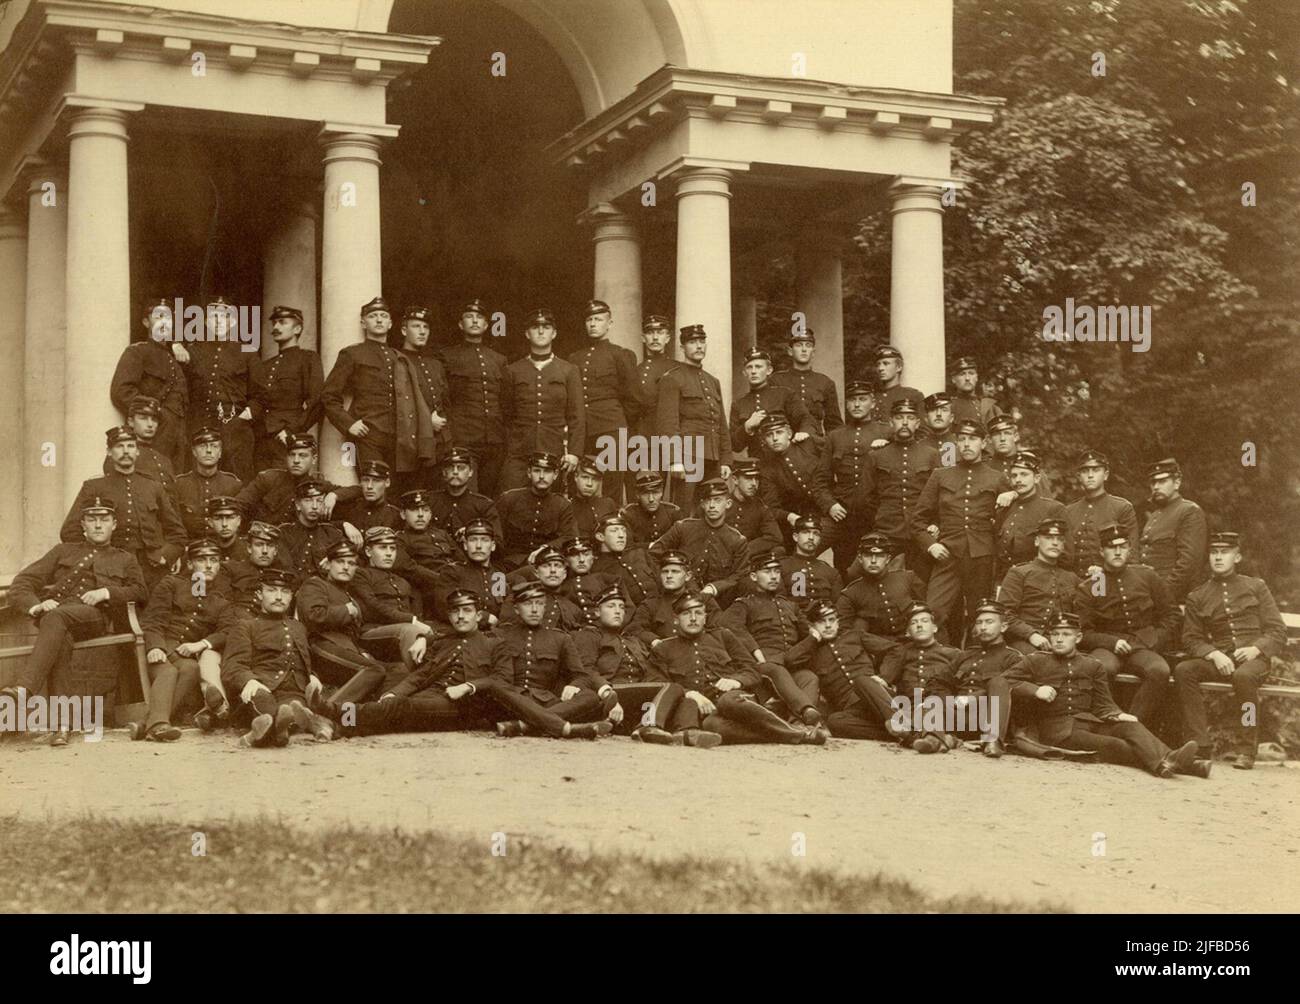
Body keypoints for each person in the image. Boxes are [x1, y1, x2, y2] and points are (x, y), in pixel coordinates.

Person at [332, 589, 609, 740]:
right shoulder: (444, 641)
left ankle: (337, 715)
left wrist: (469, 686)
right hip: (434, 697)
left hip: (464, 706)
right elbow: (421, 676)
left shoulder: (493, 641)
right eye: (456, 612)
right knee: (397, 706)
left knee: (400, 709)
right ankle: (339, 720)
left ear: (478, 615)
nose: (461, 617)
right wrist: (397, 690)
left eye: (467, 612)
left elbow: (501, 682)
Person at [4, 496, 147, 746]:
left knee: (56, 617)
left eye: (104, 519)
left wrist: (107, 593)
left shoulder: (125, 558)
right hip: (56, 623)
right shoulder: (63, 551)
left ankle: (24, 690)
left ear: (114, 524)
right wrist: (36, 605)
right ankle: (63, 726)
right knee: (60, 637)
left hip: (95, 619)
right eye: (92, 520)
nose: (98, 525)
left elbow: (140, 591)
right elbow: (22, 583)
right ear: (83, 525)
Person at [1005, 613, 1207, 778]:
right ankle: (1182, 764)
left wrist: (1118, 715)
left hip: (1089, 721)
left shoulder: (1092, 665)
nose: (1059, 639)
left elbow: (1103, 704)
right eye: (1055, 634)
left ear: (1078, 638)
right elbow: (1004, 681)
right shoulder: (1036, 661)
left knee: (1131, 726)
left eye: (1066, 634)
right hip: (1058, 731)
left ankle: (1170, 763)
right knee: (1115, 745)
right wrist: (1034, 690)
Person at [650, 593, 826, 746]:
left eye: (698, 613)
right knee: (712, 726)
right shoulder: (664, 648)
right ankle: (784, 734)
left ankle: (799, 734)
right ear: (676, 619)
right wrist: (689, 693)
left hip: (737, 698)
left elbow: (752, 669)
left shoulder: (723, 636)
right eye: (687, 614)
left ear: (705, 616)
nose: (693, 618)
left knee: (728, 700)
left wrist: (736, 681)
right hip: (705, 709)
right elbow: (657, 683)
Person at [1173, 532, 1286, 770]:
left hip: (1255, 661)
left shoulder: (1255, 587)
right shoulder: (1198, 595)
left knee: (1243, 676)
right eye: (1214, 552)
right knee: (1184, 670)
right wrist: (1213, 653)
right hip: (1222, 658)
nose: (1218, 557)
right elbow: (1191, 638)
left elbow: (1277, 631)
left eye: (1225, 552)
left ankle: (1246, 749)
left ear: (1238, 557)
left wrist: (1256, 648)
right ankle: (1200, 745)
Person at [572, 583, 721, 746]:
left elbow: (649, 674)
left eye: (621, 607)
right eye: (611, 606)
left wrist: (689, 694)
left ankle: (687, 732)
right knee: (674, 687)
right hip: (611, 693)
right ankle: (648, 725)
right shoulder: (589, 635)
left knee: (684, 697)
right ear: (597, 611)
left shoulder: (632, 640)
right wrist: (607, 693)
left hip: (637, 699)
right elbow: (586, 670)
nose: (617, 611)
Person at [322, 296, 437, 483]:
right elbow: (329, 395)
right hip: (369, 435)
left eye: (383, 316)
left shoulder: (398, 357)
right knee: (372, 487)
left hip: (401, 439)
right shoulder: (352, 354)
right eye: (373, 316)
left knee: (397, 492)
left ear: (390, 323)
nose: (379, 320)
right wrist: (349, 423)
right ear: (363, 323)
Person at [912, 419, 1007, 643]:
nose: (966, 444)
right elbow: (917, 520)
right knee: (934, 613)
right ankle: (942, 661)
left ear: (983, 443)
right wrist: (931, 544)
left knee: (980, 618)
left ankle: (976, 668)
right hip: (947, 556)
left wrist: (1012, 495)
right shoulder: (941, 475)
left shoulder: (997, 478)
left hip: (982, 558)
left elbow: (1009, 521)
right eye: (962, 439)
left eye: (972, 439)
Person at [133, 538, 238, 743]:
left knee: (191, 669)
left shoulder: (220, 601)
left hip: (186, 653)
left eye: (214, 560)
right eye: (202, 560)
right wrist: (155, 646)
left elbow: (227, 631)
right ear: (190, 564)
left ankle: (147, 725)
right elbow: (152, 620)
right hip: (163, 645)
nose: (208, 565)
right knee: (169, 670)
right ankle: (157, 725)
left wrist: (201, 644)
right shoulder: (171, 584)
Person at [1075, 524, 1178, 724]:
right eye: (1112, 548)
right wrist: (1111, 642)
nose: (1118, 552)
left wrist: (1155, 639)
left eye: (1122, 547)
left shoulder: (1146, 576)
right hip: (1106, 647)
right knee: (1102, 668)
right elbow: (1083, 632)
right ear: (1101, 551)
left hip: (1143, 645)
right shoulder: (1096, 583)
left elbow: (1171, 614)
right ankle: (1104, 726)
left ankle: (1133, 725)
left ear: (1130, 549)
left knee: (1159, 670)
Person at [220, 568, 334, 748]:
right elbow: (233, 665)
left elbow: (305, 660)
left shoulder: (298, 627)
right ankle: (282, 728)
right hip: (261, 687)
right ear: (259, 595)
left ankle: (268, 733)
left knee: (292, 708)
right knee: (265, 703)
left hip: (293, 691)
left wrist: (313, 675)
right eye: (271, 590)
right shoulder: (245, 626)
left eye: (285, 591)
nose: (279, 597)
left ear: (291, 597)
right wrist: (248, 681)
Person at [62, 425, 186, 590]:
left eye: (130, 446)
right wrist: (96, 557)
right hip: (109, 569)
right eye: (119, 446)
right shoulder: (93, 487)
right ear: (109, 452)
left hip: (150, 569)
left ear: (137, 451)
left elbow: (177, 534)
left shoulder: (153, 486)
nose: (126, 451)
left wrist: (165, 556)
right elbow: (69, 532)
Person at [493, 580, 611, 738]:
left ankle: (524, 725)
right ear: (516, 608)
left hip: (543, 700)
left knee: (590, 697)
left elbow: (581, 675)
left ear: (545, 607)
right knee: (498, 689)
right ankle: (564, 728)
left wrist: (574, 685)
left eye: (540, 604)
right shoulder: (500, 635)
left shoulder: (560, 638)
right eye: (528, 604)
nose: (534, 610)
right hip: (511, 701)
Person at [717, 551, 822, 726]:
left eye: (777, 572)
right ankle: (806, 711)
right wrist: (755, 651)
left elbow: (808, 631)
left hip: (790, 662)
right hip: (763, 663)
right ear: (753, 576)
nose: (773, 576)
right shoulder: (744, 604)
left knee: (809, 677)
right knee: (775, 669)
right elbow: (729, 625)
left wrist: (817, 633)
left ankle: (798, 723)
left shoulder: (790, 605)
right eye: (767, 571)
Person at [296, 539, 396, 714]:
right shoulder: (315, 584)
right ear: (328, 564)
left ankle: (345, 721)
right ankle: (324, 712)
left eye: (351, 563)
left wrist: (360, 652)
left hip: (345, 650)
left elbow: (350, 634)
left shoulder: (348, 593)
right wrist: (346, 611)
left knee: (395, 672)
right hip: (321, 645)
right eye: (340, 562)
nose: (346, 567)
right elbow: (313, 615)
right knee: (373, 669)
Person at [850, 603, 962, 754]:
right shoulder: (901, 653)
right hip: (905, 710)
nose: (919, 626)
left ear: (935, 628)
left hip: (938, 710)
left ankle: (910, 735)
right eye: (914, 623)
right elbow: (887, 679)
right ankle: (916, 734)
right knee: (841, 717)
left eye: (924, 621)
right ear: (908, 632)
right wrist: (883, 681)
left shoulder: (953, 654)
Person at [499, 308, 585, 491]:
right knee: (511, 498)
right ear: (527, 333)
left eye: (546, 327)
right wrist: (511, 446)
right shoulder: (513, 370)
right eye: (535, 327)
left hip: (554, 452)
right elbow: (506, 414)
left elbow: (577, 416)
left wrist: (575, 453)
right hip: (519, 453)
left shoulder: (568, 370)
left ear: (554, 333)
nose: (540, 331)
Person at [783, 601, 894, 741]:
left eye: (831, 620)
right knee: (835, 722)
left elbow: (894, 650)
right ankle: (896, 734)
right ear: (812, 626)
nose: (828, 625)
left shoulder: (855, 636)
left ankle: (897, 721)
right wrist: (812, 639)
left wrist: (885, 677)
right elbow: (789, 660)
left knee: (862, 680)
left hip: (878, 698)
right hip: (853, 710)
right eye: (821, 622)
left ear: (838, 622)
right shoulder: (811, 651)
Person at [656, 324, 732, 512]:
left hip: (713, 459)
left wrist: (726, 460)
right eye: (692, 342)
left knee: (711, 510)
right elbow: (668, 423)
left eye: (702, 341)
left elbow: (721, 423)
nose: (699, 346)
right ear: (682, 348)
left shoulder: (712, 381)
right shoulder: (672, 378)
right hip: (687, 457)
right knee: (683, 511)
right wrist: (674, 460)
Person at [437, 299, 509, 496]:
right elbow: (440, 395)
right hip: (464, 439)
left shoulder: (498, 359)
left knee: (490, 495)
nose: (475, 321)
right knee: (468, 495)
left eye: (479, 318)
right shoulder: (447, 356)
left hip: (495, 440)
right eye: (469, 317)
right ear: (461, 325)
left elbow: (506, 401)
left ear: (486, 325)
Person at [181, 296, 257, 480]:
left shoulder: (247, 351)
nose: (218, 321)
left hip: (235, 428)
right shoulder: (193, 350)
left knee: (237, 477)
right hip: (199, 424)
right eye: (213, 316)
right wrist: (174, 344)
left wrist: (247, 414)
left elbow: (261, 395)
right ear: (206, 321)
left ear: (233, 321)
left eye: (224, 316)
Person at [111, 298, 190, 470]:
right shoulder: (137, 352)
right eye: (159, 317)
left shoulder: (177, 357)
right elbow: (122, 391)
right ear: (146, 322)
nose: (164, 322)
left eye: (168, 318)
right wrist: (153, 415)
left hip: (178, 437)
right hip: (153, 434)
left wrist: (176, 343)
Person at [868, 398, 940, 578]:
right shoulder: (877, 456)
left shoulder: (931, 455)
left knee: (922, 581)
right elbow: (865, 498)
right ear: (891, 422)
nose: (905, 422)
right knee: (863, 575)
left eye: (910, 418)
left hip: (921, 532)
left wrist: (935, 523)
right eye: (900, 417)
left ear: (917, 423)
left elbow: (941, 496)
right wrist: (877, 524)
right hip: (887, 531)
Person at [247, 304, 323, 473]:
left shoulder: (308, 359)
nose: (276, 327)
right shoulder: (265, 365)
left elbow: (316, 401)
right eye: (274, 323)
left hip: (286, 440)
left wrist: (291, 432)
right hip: (260, 439)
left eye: (282, 322)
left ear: (297, 329)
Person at [648, 478, 748, 604]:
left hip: (716, 602)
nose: (712, 506)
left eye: (717, 500)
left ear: (728, 504)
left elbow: (740, 575)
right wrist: (668, 581)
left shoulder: (737, 540)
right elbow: (653, 555)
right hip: (678, 599)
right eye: (707, 500)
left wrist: (715, 587)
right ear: (702, 504)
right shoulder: (683, 528)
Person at [756, 412, 844, 551]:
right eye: (769, 435)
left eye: (779, 432)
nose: (774, 438)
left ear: (789, 433)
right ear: (764, 440)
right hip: (808, 517)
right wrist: (789, 516)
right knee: (804, 552)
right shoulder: (767, 468)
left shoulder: (809, 443)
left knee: (845, 557)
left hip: (837, 506)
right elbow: (771, 507)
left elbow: (839, 450)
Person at [823, 378, 885, 575]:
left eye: (862, 399)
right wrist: (830, 504)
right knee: (844, 568)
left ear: (873, 402)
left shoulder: (887, 432)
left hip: (876, 514)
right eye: (852, 400)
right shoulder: (835, 436)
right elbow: (820, 480)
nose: (857, 404)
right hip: (843, 514)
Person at [569, 298, 638, 475]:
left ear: (610, 323)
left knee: (611, 485)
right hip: (583, 432)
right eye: (589, 320)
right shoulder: (575, 358)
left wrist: (619, 424)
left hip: (612, 428)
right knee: (584, 483)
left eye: (598, 319)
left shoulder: (620, 354)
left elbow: (632, 397)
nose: (593, 324)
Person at [835, 532, 925, 663]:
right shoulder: (851, 593)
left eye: (879, 556)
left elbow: (927, 609)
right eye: (868, 555)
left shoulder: (908, 579)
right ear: (860, 558)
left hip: (914, 646)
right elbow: (844, 633)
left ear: (888, 558)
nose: (873, 560)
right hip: (879, 654)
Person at [998, 517, 1081, 656]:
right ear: (1037, 541)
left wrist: (1100, 578)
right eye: (1049, 538)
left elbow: (1099, 600)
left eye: (1060, 539)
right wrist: (1031, 635)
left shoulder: (1071, 577)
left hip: (1060, 642)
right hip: (1024, 642)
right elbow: (1004, 614)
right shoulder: (1019, 573)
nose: (1055, 543)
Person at [949, 598, 1019, 757]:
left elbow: (1010, 691)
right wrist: (948, 700)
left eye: (989, 622)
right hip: (958, 715)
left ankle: (993, 741)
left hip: (986, 718)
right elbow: (941, 681)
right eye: (979, 623)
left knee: (999, 682)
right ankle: (936, 738)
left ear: (1003, 627)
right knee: (929, 705)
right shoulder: (965, 655)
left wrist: (974, 697)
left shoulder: (1012, 658)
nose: (983, 627)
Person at [236, 432, 348, 527]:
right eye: (292, 455)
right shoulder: (268, 479)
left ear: (313, 459)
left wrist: (334, 495)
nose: (296, 460)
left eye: (302, 455)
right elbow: (239, 504)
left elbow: (356, 490)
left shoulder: (319, 486)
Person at [1138, 458, 1209, 603]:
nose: (1156, 487)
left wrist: (1162, 594)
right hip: (1150, 595)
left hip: (1175, 600)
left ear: (1177, 483)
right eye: (1153, 482)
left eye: (1162, 481)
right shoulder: (1155, 515)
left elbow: (1189, 563)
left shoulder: (1189, 511)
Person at [397, 304, 452, 489]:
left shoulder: (435, 364)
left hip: (440, 444)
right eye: (416, 326)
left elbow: (446, 402)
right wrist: (428, 422)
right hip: (412, 444)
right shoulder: (396, 360)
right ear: (404, 330)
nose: (422, 332)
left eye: (426, 327)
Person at [1062, 449, 1138, 577]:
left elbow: (1132, 553)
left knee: (1099, 590)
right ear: (1079, 476)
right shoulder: (1069, 511)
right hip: (1075, 583)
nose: (1090, 475)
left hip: (1109, 580)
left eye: (1096, 470)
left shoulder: (1122, 507)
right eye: (1085, 471)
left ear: (1106, 475)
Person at [489, 452, 570, 569]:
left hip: (545, 564)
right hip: (509, 563)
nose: (542, 476)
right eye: (537, 471)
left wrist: (546, 548)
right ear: (529, 473)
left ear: (555, 475)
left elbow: (569, 536)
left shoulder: (562, 505)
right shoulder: (510, 499)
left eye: (547, 471)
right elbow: (496, 532)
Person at [730, 346, 814, 458]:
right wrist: (747, 427)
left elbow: (805, 418)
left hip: (787, 460)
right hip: (758, 464)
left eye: (758, 366)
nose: (753, 371)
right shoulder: (739, 404)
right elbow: (735, 445)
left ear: (769, 370)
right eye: (749, 368)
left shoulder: (784, 394)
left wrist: (803, 432)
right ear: (744, 373)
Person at [995, 451, 1067, 579]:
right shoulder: (1005, 509)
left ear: (1036, 478)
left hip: (1039, 581)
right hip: (1006, 580)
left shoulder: (1053, 509)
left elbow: (1064, 556)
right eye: (1014, 475)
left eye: (1024, 474)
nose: (1018, 480)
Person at [628, 550, 723, 645]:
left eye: (675, 571)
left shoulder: (704, 600)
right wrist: (654, 641)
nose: (669, 576)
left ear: (687, 576)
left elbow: (719, 629)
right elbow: (635, 630)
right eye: (665, 572)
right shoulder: (651, 604)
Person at [172, 427, 243, 538]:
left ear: (220, 453)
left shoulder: (233, 484)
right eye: (203, 446)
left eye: (214, 446)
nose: (208, 450)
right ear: (194, 452)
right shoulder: (179, 484)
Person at [772, 327, 842, 436]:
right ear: (790, 351)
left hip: (816, 444)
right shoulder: (776, 380)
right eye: (799, 345)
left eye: (808, 345)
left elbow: (834, 424)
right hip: (785, 445)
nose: (804, 349)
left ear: (813, 352)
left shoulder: (825, 382)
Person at [104, 395, 176, 490]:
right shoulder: (122, 455)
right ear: (131, 422)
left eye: (154, 419)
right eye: (143, 418)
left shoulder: (164, 460)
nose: (150, 424)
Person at [592, 512, 660, 606]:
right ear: (600, 536)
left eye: (623, 530)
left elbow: (661, 583)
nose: (621, 535)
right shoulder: (597, 568)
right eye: (614, 530)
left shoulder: (639, 554)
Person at [428, 447, 499, 538]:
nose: (455, 472)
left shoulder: (484, 506)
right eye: (450, 467)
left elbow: (496, 542)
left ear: (470, 472)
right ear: (444, 472)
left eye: (461, 468)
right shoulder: (430, 502)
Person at [724, 458, 785, 556]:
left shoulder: (760, 506)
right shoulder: (722, 504)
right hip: (722, 556)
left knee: (779, 551)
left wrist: (744, 550)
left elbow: (775, 537)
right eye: (748, 478)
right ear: (735, 480)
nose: (754, 484)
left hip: (747, 557)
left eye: (756, 479)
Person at [778, 515, 843, 605]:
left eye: (816, 533)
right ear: (795, 537)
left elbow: (837, 607)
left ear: (820, 539)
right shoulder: (782, 567)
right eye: (806, 532)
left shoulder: (831, 573)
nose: (811, 537)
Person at [332, 459, 401, 531]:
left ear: (387, 483)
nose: (369, 486)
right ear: (360, 482)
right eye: (365, 480)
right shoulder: (352, 508)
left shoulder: (395, 516)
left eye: (376, 481)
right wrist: (344, 525)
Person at [620, 472, 681, 545]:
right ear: (637, 495)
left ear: (661, 493)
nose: (651, 499)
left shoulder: (672, 512)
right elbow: (628, 546)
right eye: (645, 494)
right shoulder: (629, 515)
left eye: (655, 493)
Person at [870, 345, 923, 421]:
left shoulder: (913, 396)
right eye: (878, 364)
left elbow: (922, 429)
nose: (880, 368)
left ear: (899, 367)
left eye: (886, 363)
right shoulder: (871, 396)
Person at [947, 356, 999, 428]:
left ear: (976, 377)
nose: (967, 378)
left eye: (971, 373)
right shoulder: (949, 407)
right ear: (953, 379)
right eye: (962, 374)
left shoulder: (991, 407)